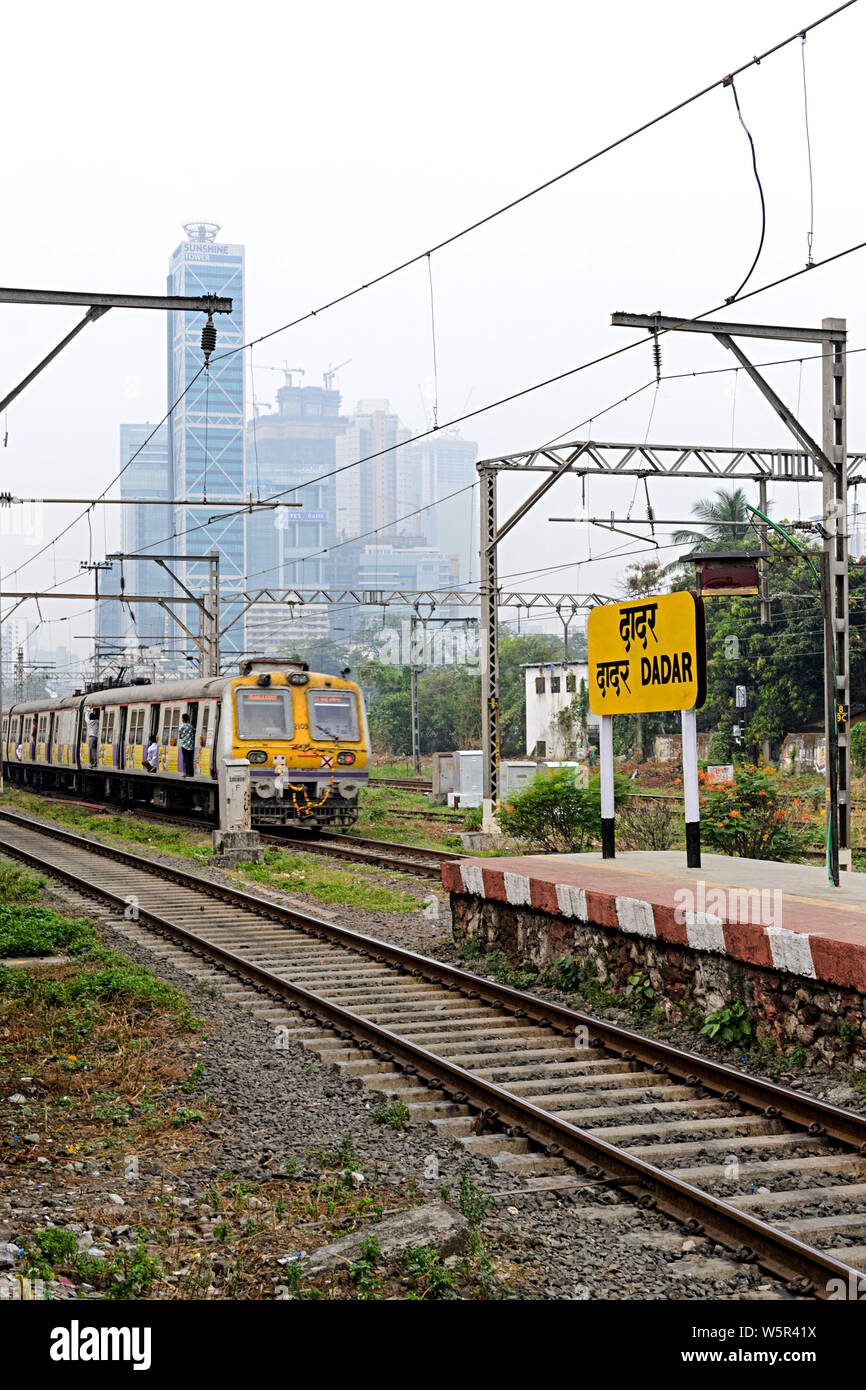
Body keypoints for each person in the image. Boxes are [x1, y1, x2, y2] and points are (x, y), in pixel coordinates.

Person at [178, 711, 196, 777]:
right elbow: (194, 734)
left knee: (186, 759)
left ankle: (187, 773)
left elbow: (180, 736)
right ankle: (191, 773)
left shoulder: (182, 727)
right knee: (190, 759)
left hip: (185, 745)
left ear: (183, 719)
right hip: (191, 745)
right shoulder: (191, 726)